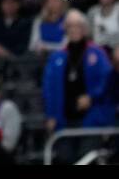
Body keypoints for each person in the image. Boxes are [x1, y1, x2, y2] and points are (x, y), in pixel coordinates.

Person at [42, 11, 116, 143]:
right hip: (63, 120)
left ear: (84, 28)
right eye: (70, 26)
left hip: (92, 118)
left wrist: (91, 97)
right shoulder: (56, 58)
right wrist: (51, 115)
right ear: (65, 29)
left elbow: (108, 82)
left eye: (78, 25)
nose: (74, 29)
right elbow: (49, 89)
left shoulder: (98, 54)